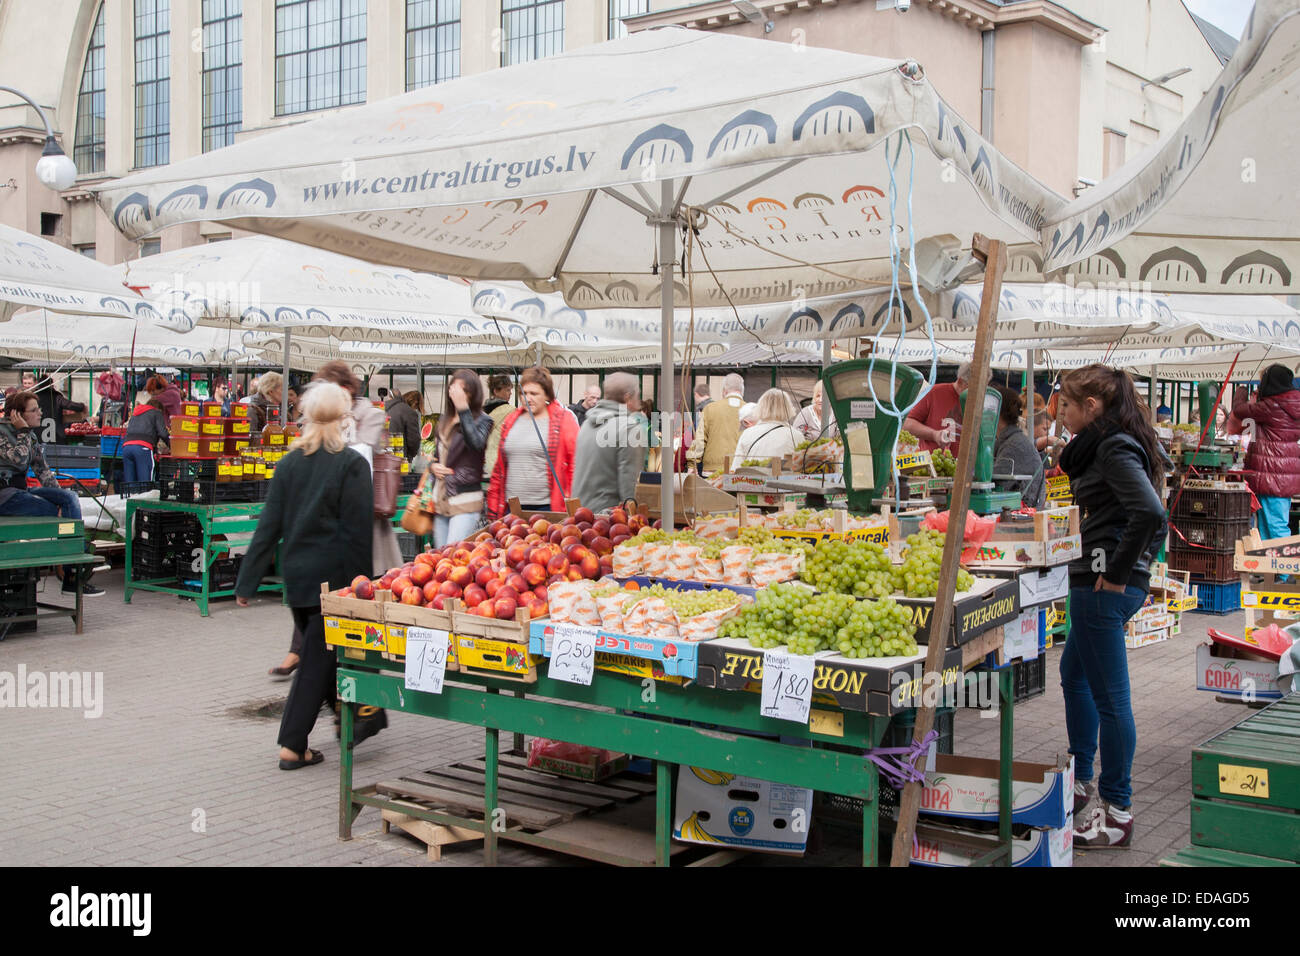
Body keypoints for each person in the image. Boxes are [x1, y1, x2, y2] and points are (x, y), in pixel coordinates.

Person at [235, 382, 377, 770]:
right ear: (344, 419)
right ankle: (292, 744)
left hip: (296, 578)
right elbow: (356, 532)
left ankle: (359, 718)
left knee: (322, 655)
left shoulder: (289, 463)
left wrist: (248, 579)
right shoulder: (351, 464)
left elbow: (269, 525)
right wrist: (362, 585)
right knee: (317, 663)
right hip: (333, 580)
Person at [1057, 365, 1169, 849]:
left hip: (1104, 589)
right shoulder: (1105, 444)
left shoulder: (1113, 446)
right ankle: (1082, 781)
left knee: (1110, 698)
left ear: (1093, 407)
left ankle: (1117, 809)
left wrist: (1121, 572)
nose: (1059, 410)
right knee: (1073, 674)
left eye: (1066, 402)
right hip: (1095, 582)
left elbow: (1151, 512)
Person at [0, 391, 103, 596]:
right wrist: (23, 432)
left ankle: (74, 566)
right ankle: (72, 573)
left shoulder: (29, 435)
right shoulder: (3, 432)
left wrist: (61, 496)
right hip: (5, 495)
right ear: (17, 414)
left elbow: (43, 471)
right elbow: (18, 460)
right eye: (34, 410)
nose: (40, 413)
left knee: (69, 498)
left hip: (20, 492)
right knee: (55, 510)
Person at [487, 366, 578, 516]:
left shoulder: (563, 420)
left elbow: (575, 465)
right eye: (524, 393)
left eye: (534, 394)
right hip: (512, 508)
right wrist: (493, 507)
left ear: (547, 395)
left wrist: (570, 502)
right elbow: (500, 468)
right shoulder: (511, 420)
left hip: (547, 508)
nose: (527, 398)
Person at [1232, 365, 1300, 540]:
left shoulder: (1272, 406)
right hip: (1282, 474)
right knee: (1268, 526)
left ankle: (1284, 566)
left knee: (1275, 527)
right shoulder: (1292, 404)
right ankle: (1270, 565)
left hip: (1271, 474)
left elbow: (1240, 411)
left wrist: (1240, 391)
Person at [430, 369, 493, 547]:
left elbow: (476, 444)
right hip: (441, 498)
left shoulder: (483, 420)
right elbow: (437, 456)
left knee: (452, 554)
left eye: (463, 390)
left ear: (472, 393)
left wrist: (463, 409)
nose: (456, 393)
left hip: (464, 499)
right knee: (440, 556)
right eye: (454, 388)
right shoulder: (444, 420)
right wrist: (432, 467)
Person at [572, 373, 644, 513]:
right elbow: (629, 487)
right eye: (637, 394)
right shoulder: (629, 428)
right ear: (628, 397)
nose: (639, 399)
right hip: (608, 521)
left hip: (581, 516)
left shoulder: (587, 424)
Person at [992, 384, 1045, 509]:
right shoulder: (1009, 440)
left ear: (996, 413)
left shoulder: (1014, 445)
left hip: (1024, 513)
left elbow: (996, 483)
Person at [903, 361, 973, 454]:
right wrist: (934, 434)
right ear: (960, 382)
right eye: (973, 390)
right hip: (935, 464)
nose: (977, 396)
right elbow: (906, 423)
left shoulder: (981, 403)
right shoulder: (934, 393)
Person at [686, 373, 745, 474]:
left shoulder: (710, 408)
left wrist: (692, 464)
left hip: (712, 471)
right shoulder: (751, 411)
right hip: (740, 470)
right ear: (742, 391)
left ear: (724, 391)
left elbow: (700, 440)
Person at [733, 389, 801, 463]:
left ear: (760, 407)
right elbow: (801, 468)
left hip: (754, 474)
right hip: (784, 474)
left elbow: (737, 468)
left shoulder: (747, 434)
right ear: (788, 408)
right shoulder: (796, 436)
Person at [121, 397, 169, 483]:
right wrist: (172, 446)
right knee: (145, 485)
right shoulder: (156, 412)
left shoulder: (135, 414)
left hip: (126, 448)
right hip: (143, 448)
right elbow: (163, 433)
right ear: (159, 408)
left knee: (129, 486)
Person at [35, 375, 89, 443]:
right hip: (55, 435)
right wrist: (82, 406)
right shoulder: (56, 397)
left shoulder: (34, 397)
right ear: (51, 385)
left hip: (37, 434)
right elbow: (69, 405)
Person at [482, 374, 515, 479]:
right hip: (504, 463)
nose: (510, 393)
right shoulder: (511, 410)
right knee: (512, 494)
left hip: (486, 463)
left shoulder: (483, 412)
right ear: (496, 391)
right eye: (507, 390)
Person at [384, 388, 420, 460]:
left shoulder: (380, 409)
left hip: (382, 458)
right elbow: (413, 439)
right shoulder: (408, 411)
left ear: (389, 397)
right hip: (400, 457)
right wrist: (410, 455)